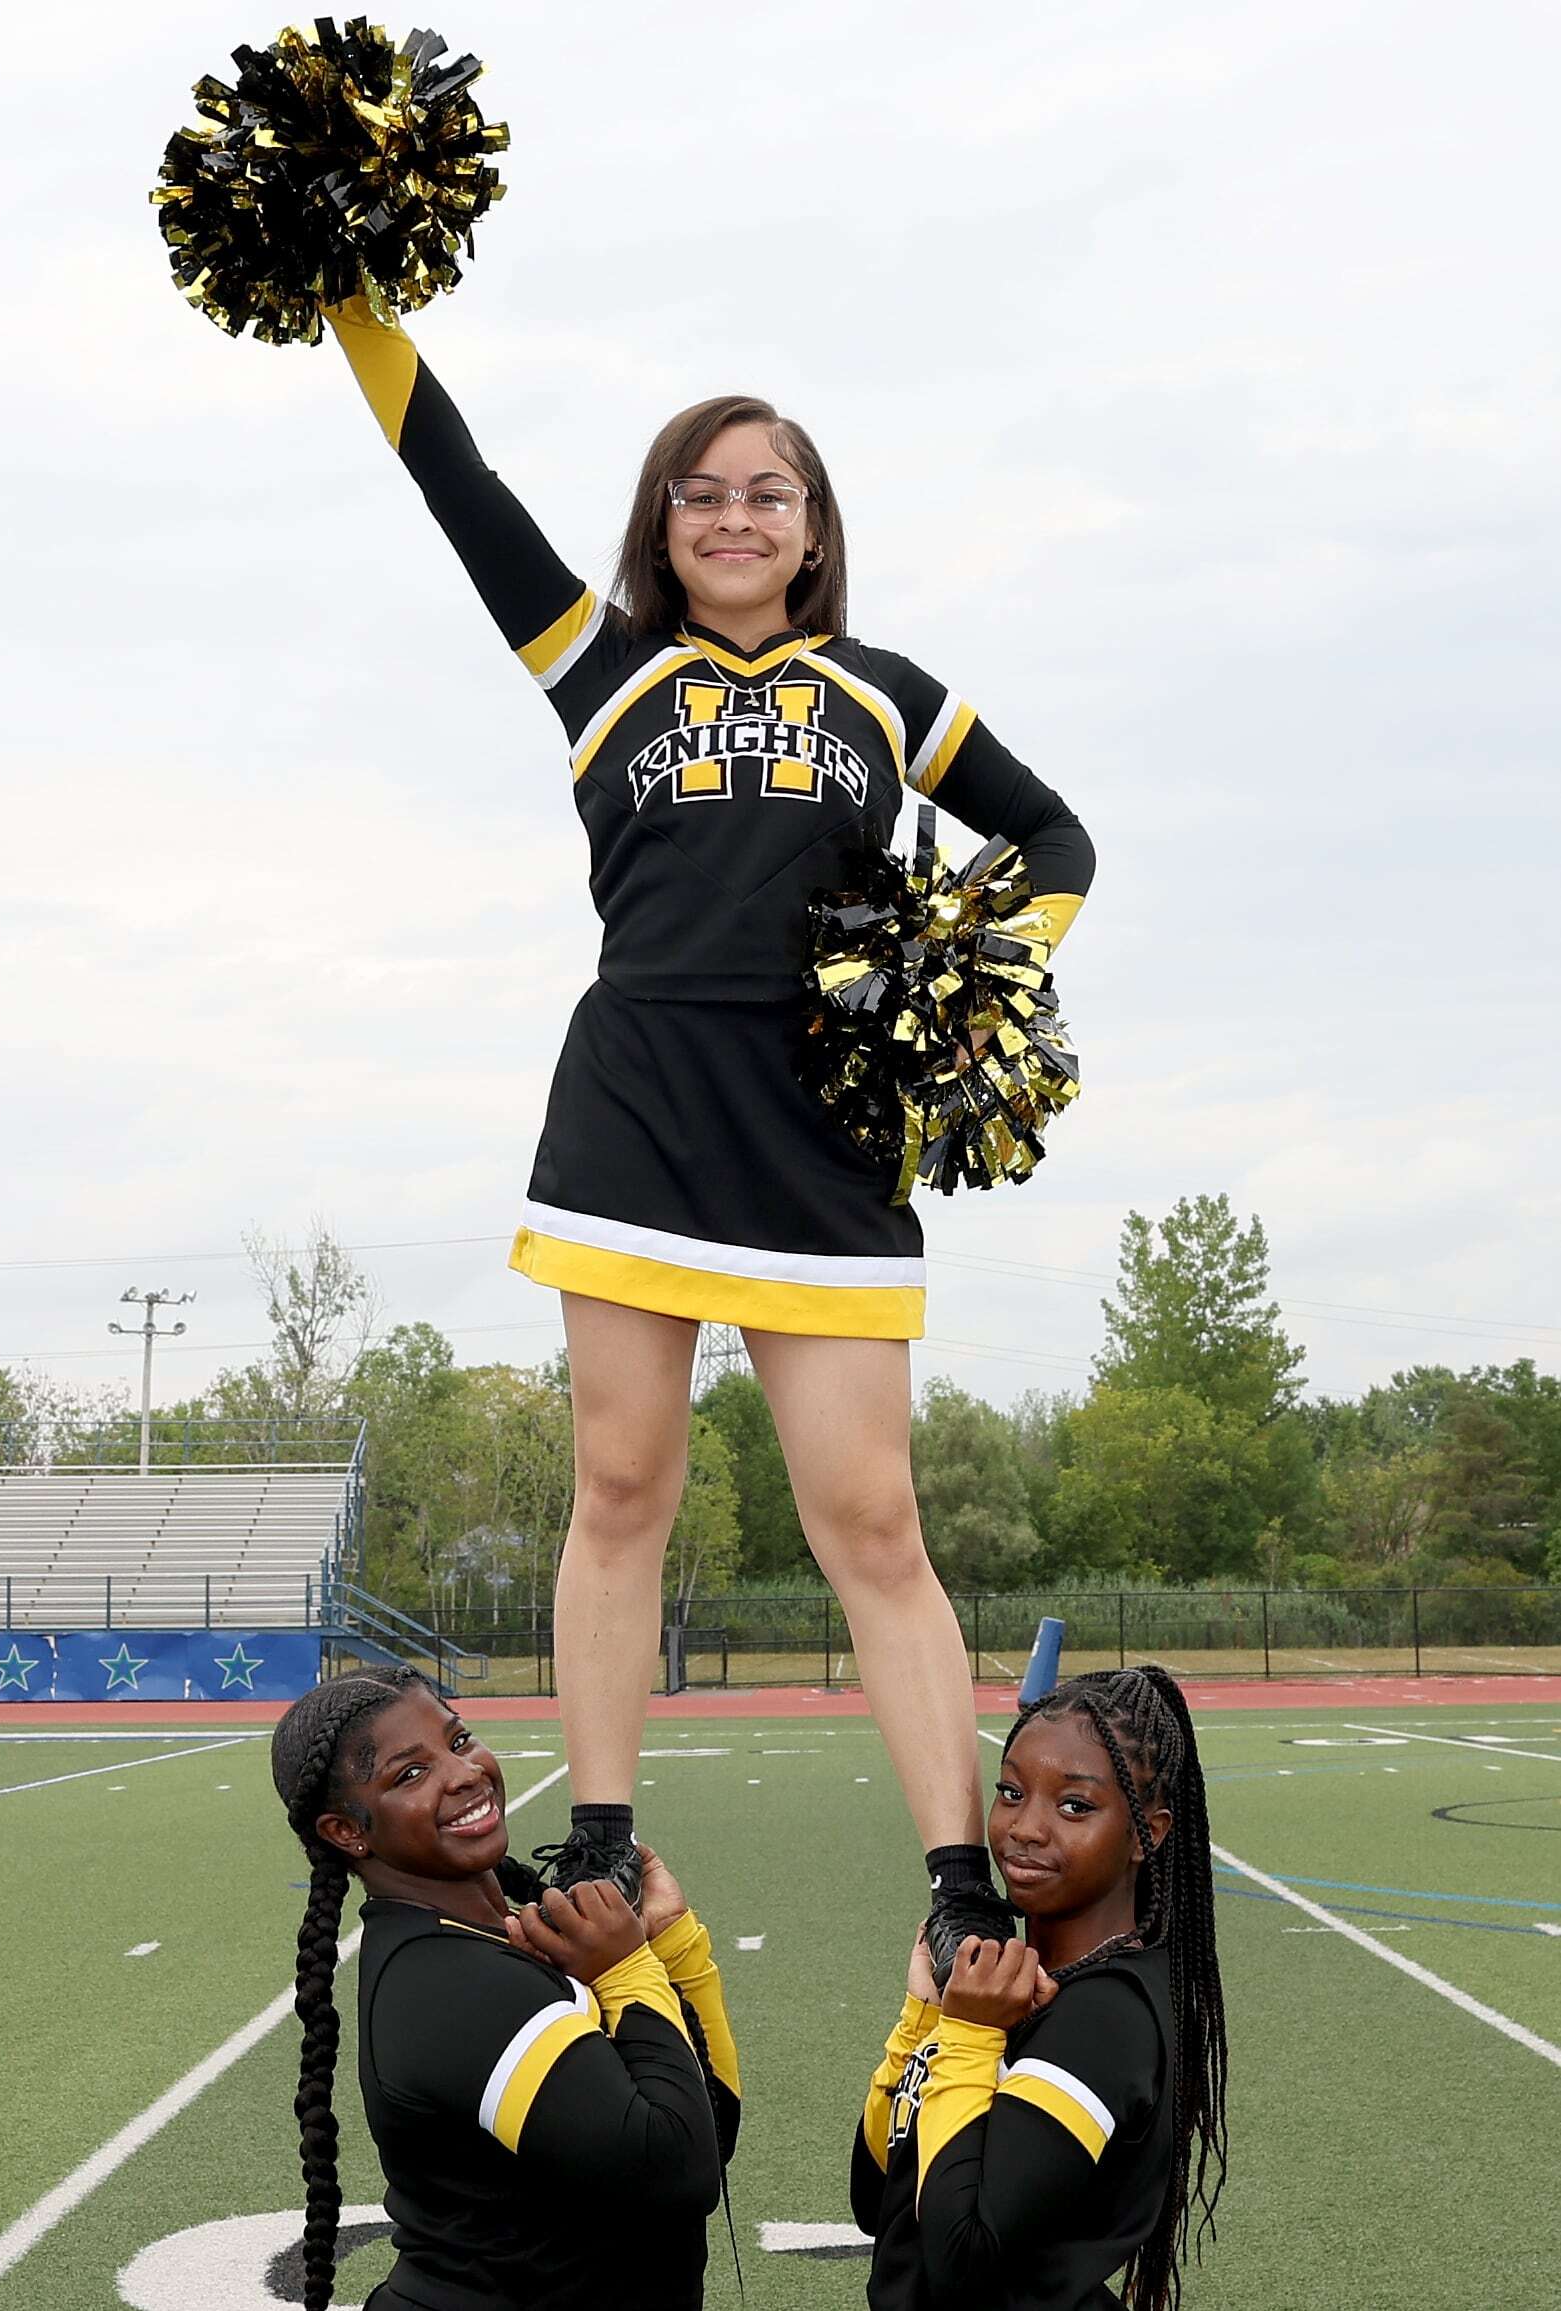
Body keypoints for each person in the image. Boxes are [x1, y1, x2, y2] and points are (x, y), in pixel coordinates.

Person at [323, 294, 1096, 1974]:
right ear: (660, 530)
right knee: (620, 1488)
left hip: (822, 1145)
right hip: (637, 1119)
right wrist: (348, 298)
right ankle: (597, 1837)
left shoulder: (886, 697)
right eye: (701, 491)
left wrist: (965, 989)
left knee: (872, 1525)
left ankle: (959, 1872)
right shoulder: (599, 671)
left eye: (768, 491)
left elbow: (1052, 839)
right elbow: (449, 475)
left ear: (814, 534)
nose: (733, 515)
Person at [269, 1665, 738, 2311]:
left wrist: (670, 1947)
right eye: (410, 1773)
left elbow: (709, 2126)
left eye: (458, 1741)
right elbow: (677, 2172)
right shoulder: (452, 1985)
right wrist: (627, 1968)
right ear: (346, 1830)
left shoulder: (496, 1938)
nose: (463, 1772)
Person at [852, 1666, 1228, 2311]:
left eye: (1074, 1805)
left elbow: (961, 2258)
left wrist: (968, 2037)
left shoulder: (1102, 2018)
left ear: (1148, 1832)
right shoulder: (1021, 1987)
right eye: (1010, 1792)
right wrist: (928, 2020)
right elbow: (877, 2194)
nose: (1025, 1828)